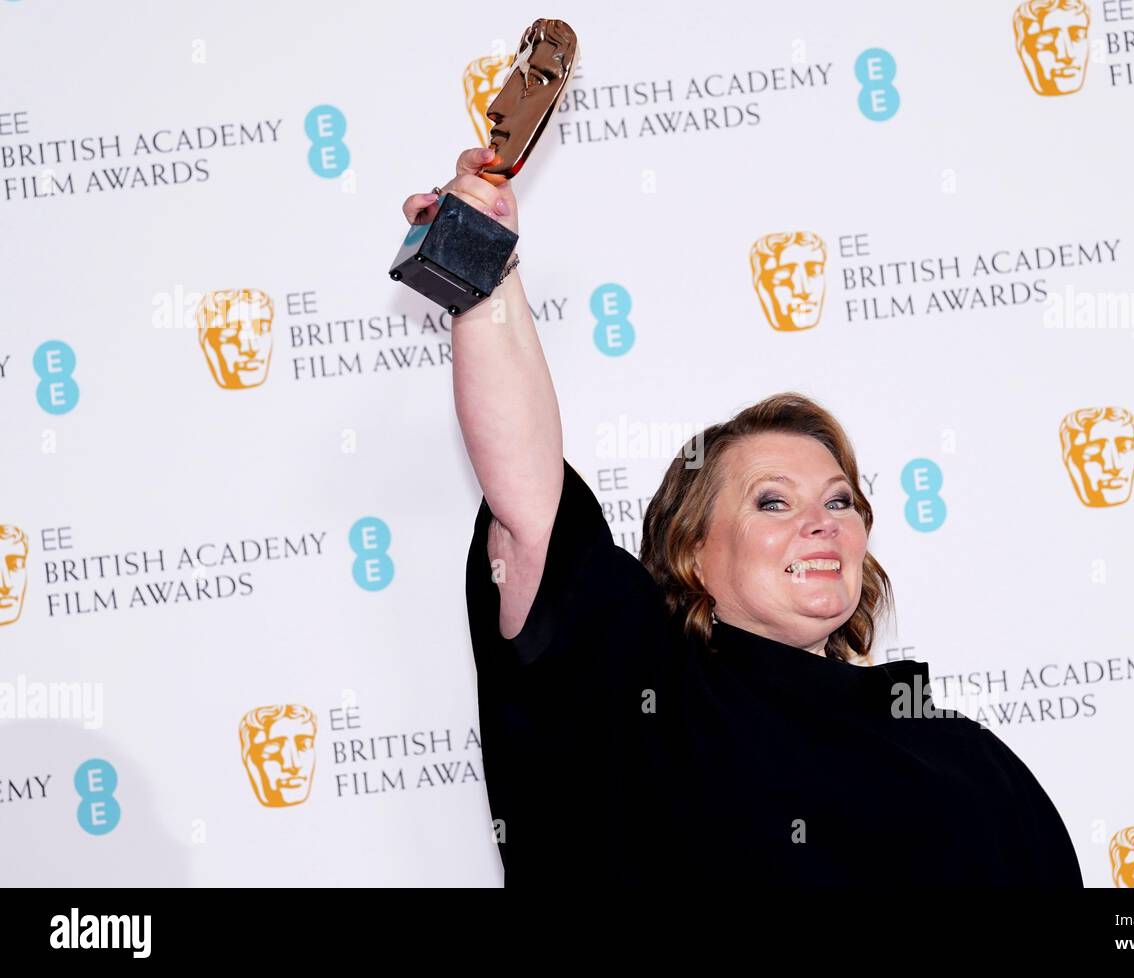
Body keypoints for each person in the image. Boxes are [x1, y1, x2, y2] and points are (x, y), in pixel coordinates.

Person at [402, 148, 1085, 889]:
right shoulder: (645, 694)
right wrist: (482, 267)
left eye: (839, 501)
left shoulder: (964, 758)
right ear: (694, 551)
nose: (821, 522)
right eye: (772, 502)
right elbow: (531, 504)